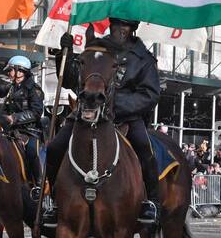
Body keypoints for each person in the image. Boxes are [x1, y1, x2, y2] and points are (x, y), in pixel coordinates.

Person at [42, 17, 161, 224]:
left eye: (124, 25)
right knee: (55, 147)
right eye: (116, 24)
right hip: (87, 110)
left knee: (144, 148)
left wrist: (115, 105)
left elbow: (150, 94)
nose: (119, 29)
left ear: (132, 28)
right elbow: (72, 80)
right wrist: (65, 55)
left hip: (125, 116)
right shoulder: (96, 48)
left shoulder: (144, 59)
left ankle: (150, 202)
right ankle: (55, 201)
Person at [0, 54, 46, 191]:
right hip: (11, 131)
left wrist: (14, 118)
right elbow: (0, 89)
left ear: (20, 71)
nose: (9, 73)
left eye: (11, 70)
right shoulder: (12, 87)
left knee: (31, 152)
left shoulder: (34, 89)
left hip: (30, 131)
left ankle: (38, 184)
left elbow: (36, 113)